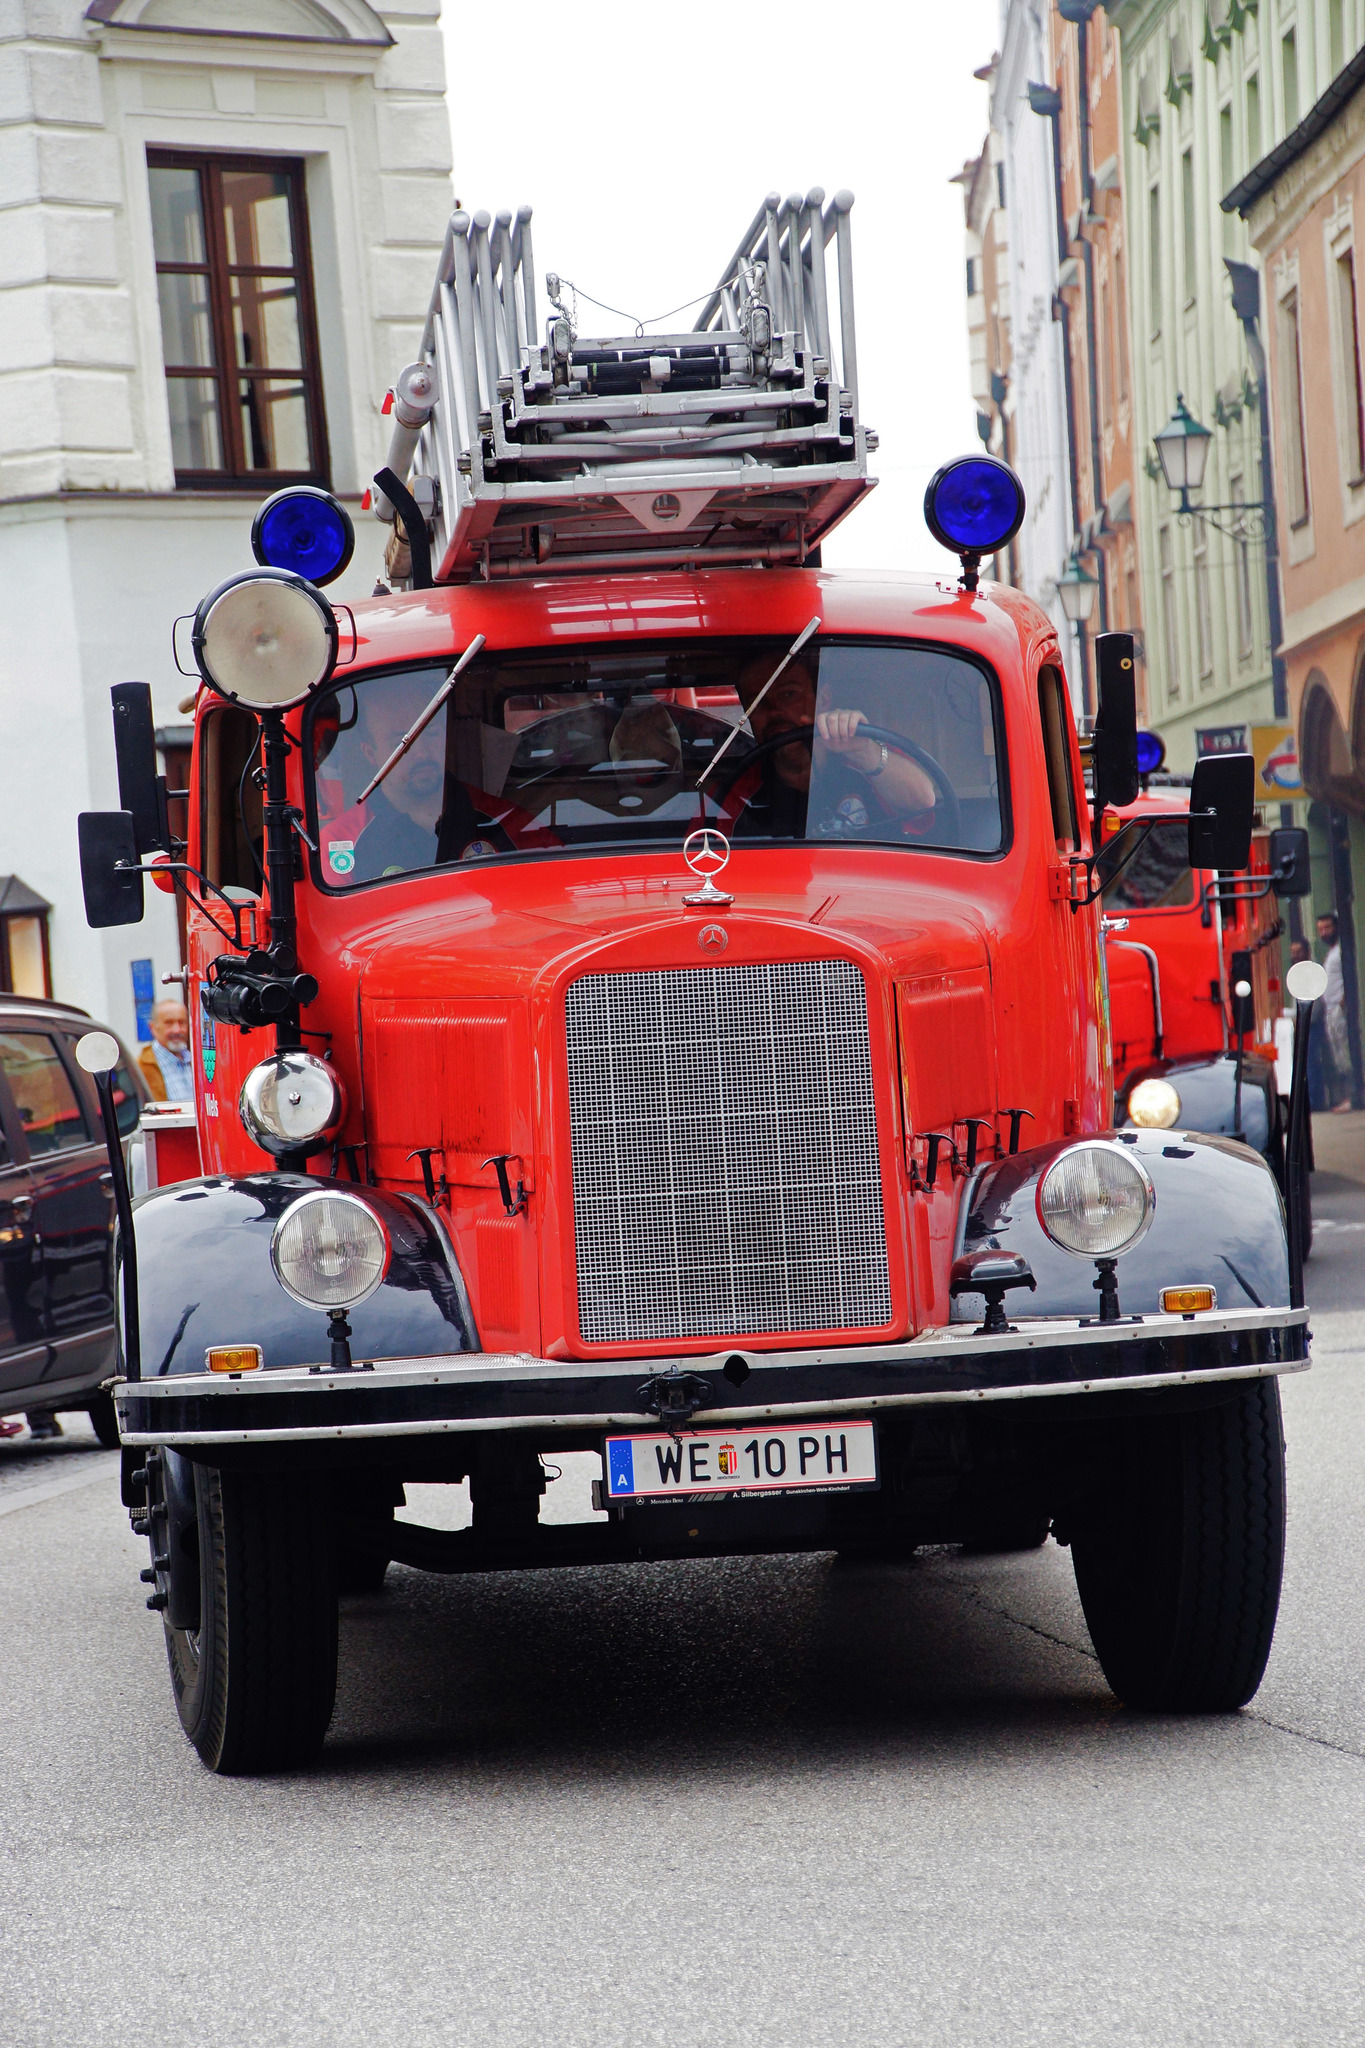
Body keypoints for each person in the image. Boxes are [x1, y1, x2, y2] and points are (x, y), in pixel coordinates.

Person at [722, 656, 938, 840]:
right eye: (757, 702)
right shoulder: (735, 788)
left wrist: (862, 750)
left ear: (824, 698)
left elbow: (923, 802)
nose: (774, 712)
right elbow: (704, 864)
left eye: (789, 694)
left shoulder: (864, 754)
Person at [1316, 913, 1354, 1112]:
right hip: (1330, 1011)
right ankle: (1347, 1097)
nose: (1324, 933)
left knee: (1345, 1054)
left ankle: (1351, 1097)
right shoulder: (1331, 952)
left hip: (1339, 1010)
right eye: (1320, 929)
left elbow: (1349, 976)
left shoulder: (1341, 951)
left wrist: (1343, 1003)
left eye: (1327, 928)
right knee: (1338, 1056)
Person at [138, 997, 193, 1103]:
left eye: (181, 1022)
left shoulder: (197, 1061)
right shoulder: (142, 1067)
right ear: (152, 1027)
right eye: (169, 1023)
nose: (177, 1030)